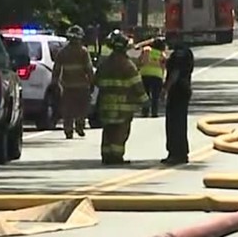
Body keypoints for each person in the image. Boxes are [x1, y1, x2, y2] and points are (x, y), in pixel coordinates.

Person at [94, 30, 146, 165]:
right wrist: (145, 101)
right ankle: (116, 157)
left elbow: (96, 81)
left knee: (108, 130)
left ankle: (106, 156)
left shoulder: (104, 64)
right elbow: (137, 85)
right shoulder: (128, 65)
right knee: (120, 132)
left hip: (105, 104)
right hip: (123, 107)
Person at [54, 25, 94, 139]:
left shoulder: (62, 52)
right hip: (82, 86)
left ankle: (68, 130)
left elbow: (56, 69)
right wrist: (92, 82)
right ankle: (79, 126)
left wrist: (55, 83)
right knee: (82, 108)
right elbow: (89, 69)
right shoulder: (83, 52)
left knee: (68, 109)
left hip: (67, 85)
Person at [161, 40, 195, 165]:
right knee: (180, 122)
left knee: (174, 124)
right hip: (184, 90)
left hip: (177, 91)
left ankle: (176, 153)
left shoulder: (179, 55)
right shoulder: (187, 53)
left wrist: (166, 89)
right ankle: (180, 153)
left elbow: (175, 73)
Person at [138, 37, 167, 118]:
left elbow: (140, 60)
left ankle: (145, 112)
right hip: (157, 76)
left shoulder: (146, 50)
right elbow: (163, 67)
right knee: (155, 96)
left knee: (145, 95)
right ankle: (154, 112)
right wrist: (162, 77)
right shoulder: (162, 54)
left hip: (145, 75)